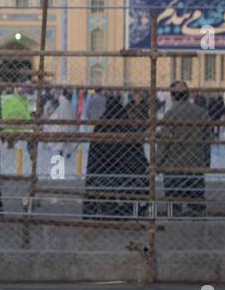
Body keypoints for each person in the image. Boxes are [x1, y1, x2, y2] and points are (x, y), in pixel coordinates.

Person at [83, 95, 149, 219]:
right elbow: (139, 157)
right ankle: (129, 210)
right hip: (126, 177)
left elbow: (93, 158)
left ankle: (102, 210)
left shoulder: (100, 128)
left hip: (102, 176)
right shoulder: (128, 127)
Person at [158, 80, 212, 217]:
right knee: (196, 203)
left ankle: (175, 227)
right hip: (195, 163)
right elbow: (207, 141)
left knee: (173, 205)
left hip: (173, 166)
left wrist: (158, 163)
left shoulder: (170, 115)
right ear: (188, 95)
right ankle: (196, 228)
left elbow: (164, 143)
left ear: (172, 96)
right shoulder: (201, 113)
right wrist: (206, 162)